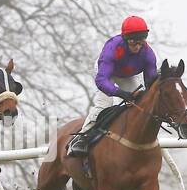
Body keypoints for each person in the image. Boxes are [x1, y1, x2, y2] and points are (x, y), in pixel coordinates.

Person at [66, 15, 158, 157]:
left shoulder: (149, 54)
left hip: (128, 75)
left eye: (141, 42)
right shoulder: (112, 47)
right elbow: (102, 80)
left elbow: (150, 84)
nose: (138, 46)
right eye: (134, 42)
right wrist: (120, 93)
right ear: (126, 39)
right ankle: (81, 138)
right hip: (106, 73)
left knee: (140, 103)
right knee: (105, 104)